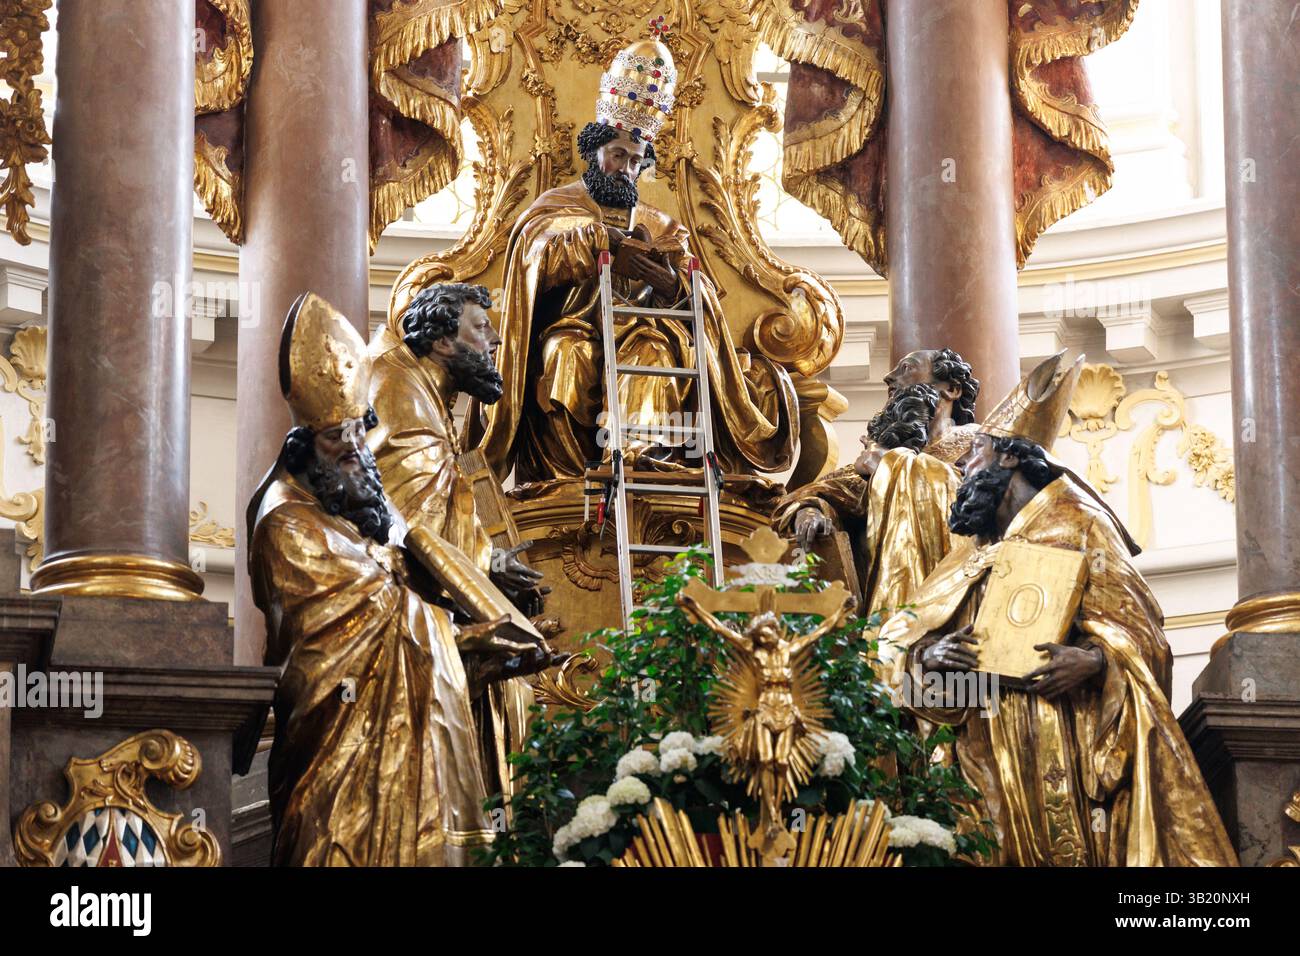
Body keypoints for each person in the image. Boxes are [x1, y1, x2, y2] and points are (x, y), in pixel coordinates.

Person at [877, 352, 1237, 866]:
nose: (962, 468)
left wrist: (1093, 661)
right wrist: (931, 657)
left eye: (974, 454)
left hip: (1064, 730)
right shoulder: (969, 551)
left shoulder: (1079, 523)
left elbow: (1143, 633)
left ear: (1008, 457)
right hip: (982, 744)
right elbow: (908, 640)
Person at [247, 292, 558, 865]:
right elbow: (346, 637)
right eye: (344, 449)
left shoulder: (348, 507)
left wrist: (480, 584)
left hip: (408, 711)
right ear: (308, 451)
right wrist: (462, 640)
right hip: (342, 736)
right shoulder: (290, 522)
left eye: (360, 446)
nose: (362, 459)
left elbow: (396, 558)